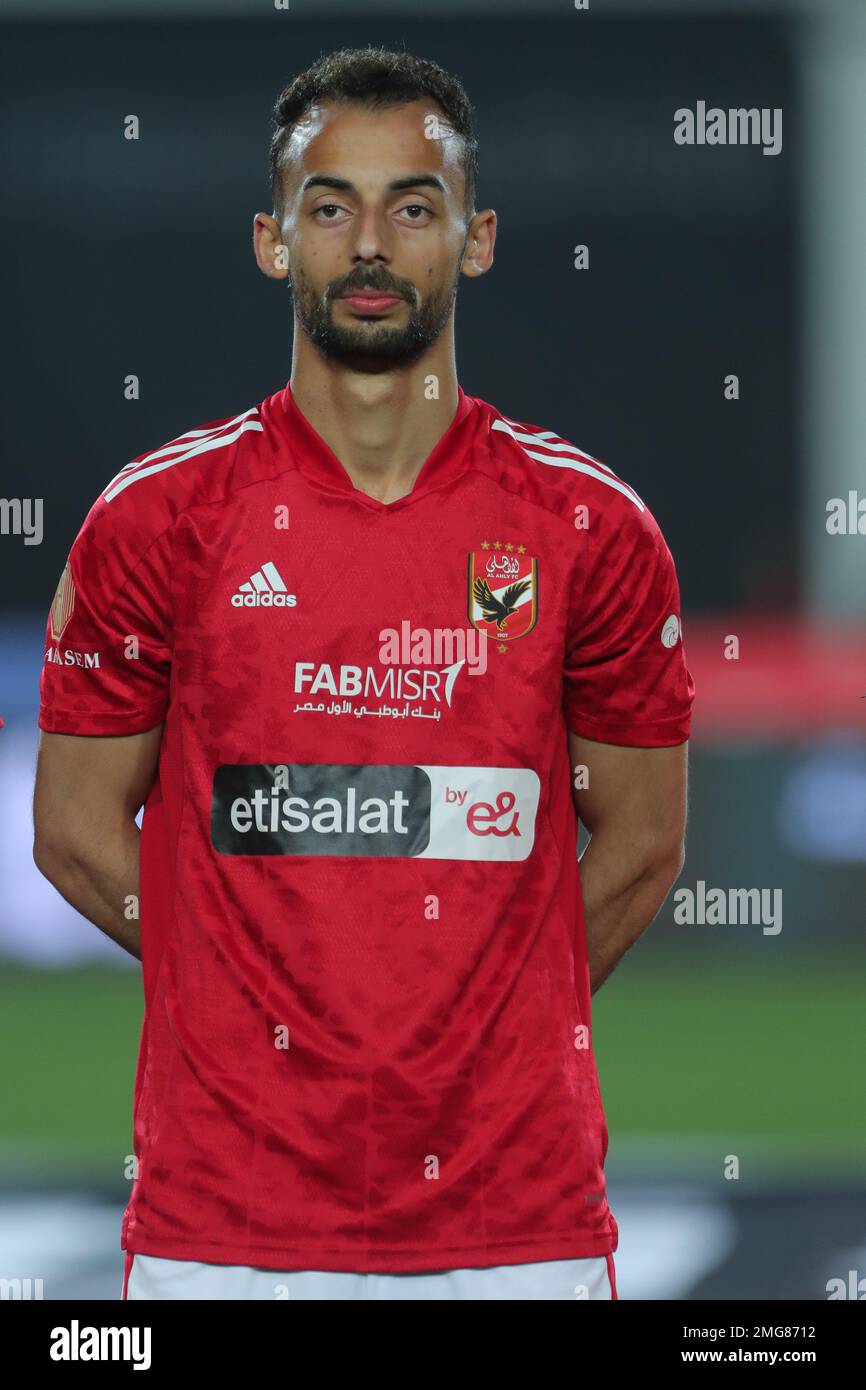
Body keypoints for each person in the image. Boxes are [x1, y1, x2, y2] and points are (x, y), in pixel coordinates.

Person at [33, 46, 693, 1302]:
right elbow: (72, 830)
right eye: (330, 206)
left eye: (412, 205)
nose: (370, 245)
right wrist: (234, 1003)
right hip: (220, 1233)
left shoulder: (589, 528)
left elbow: (644, 841)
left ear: (477, 238)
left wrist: (481, 1018)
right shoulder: (159, 519)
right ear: (273, 243)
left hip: (519, 1226)